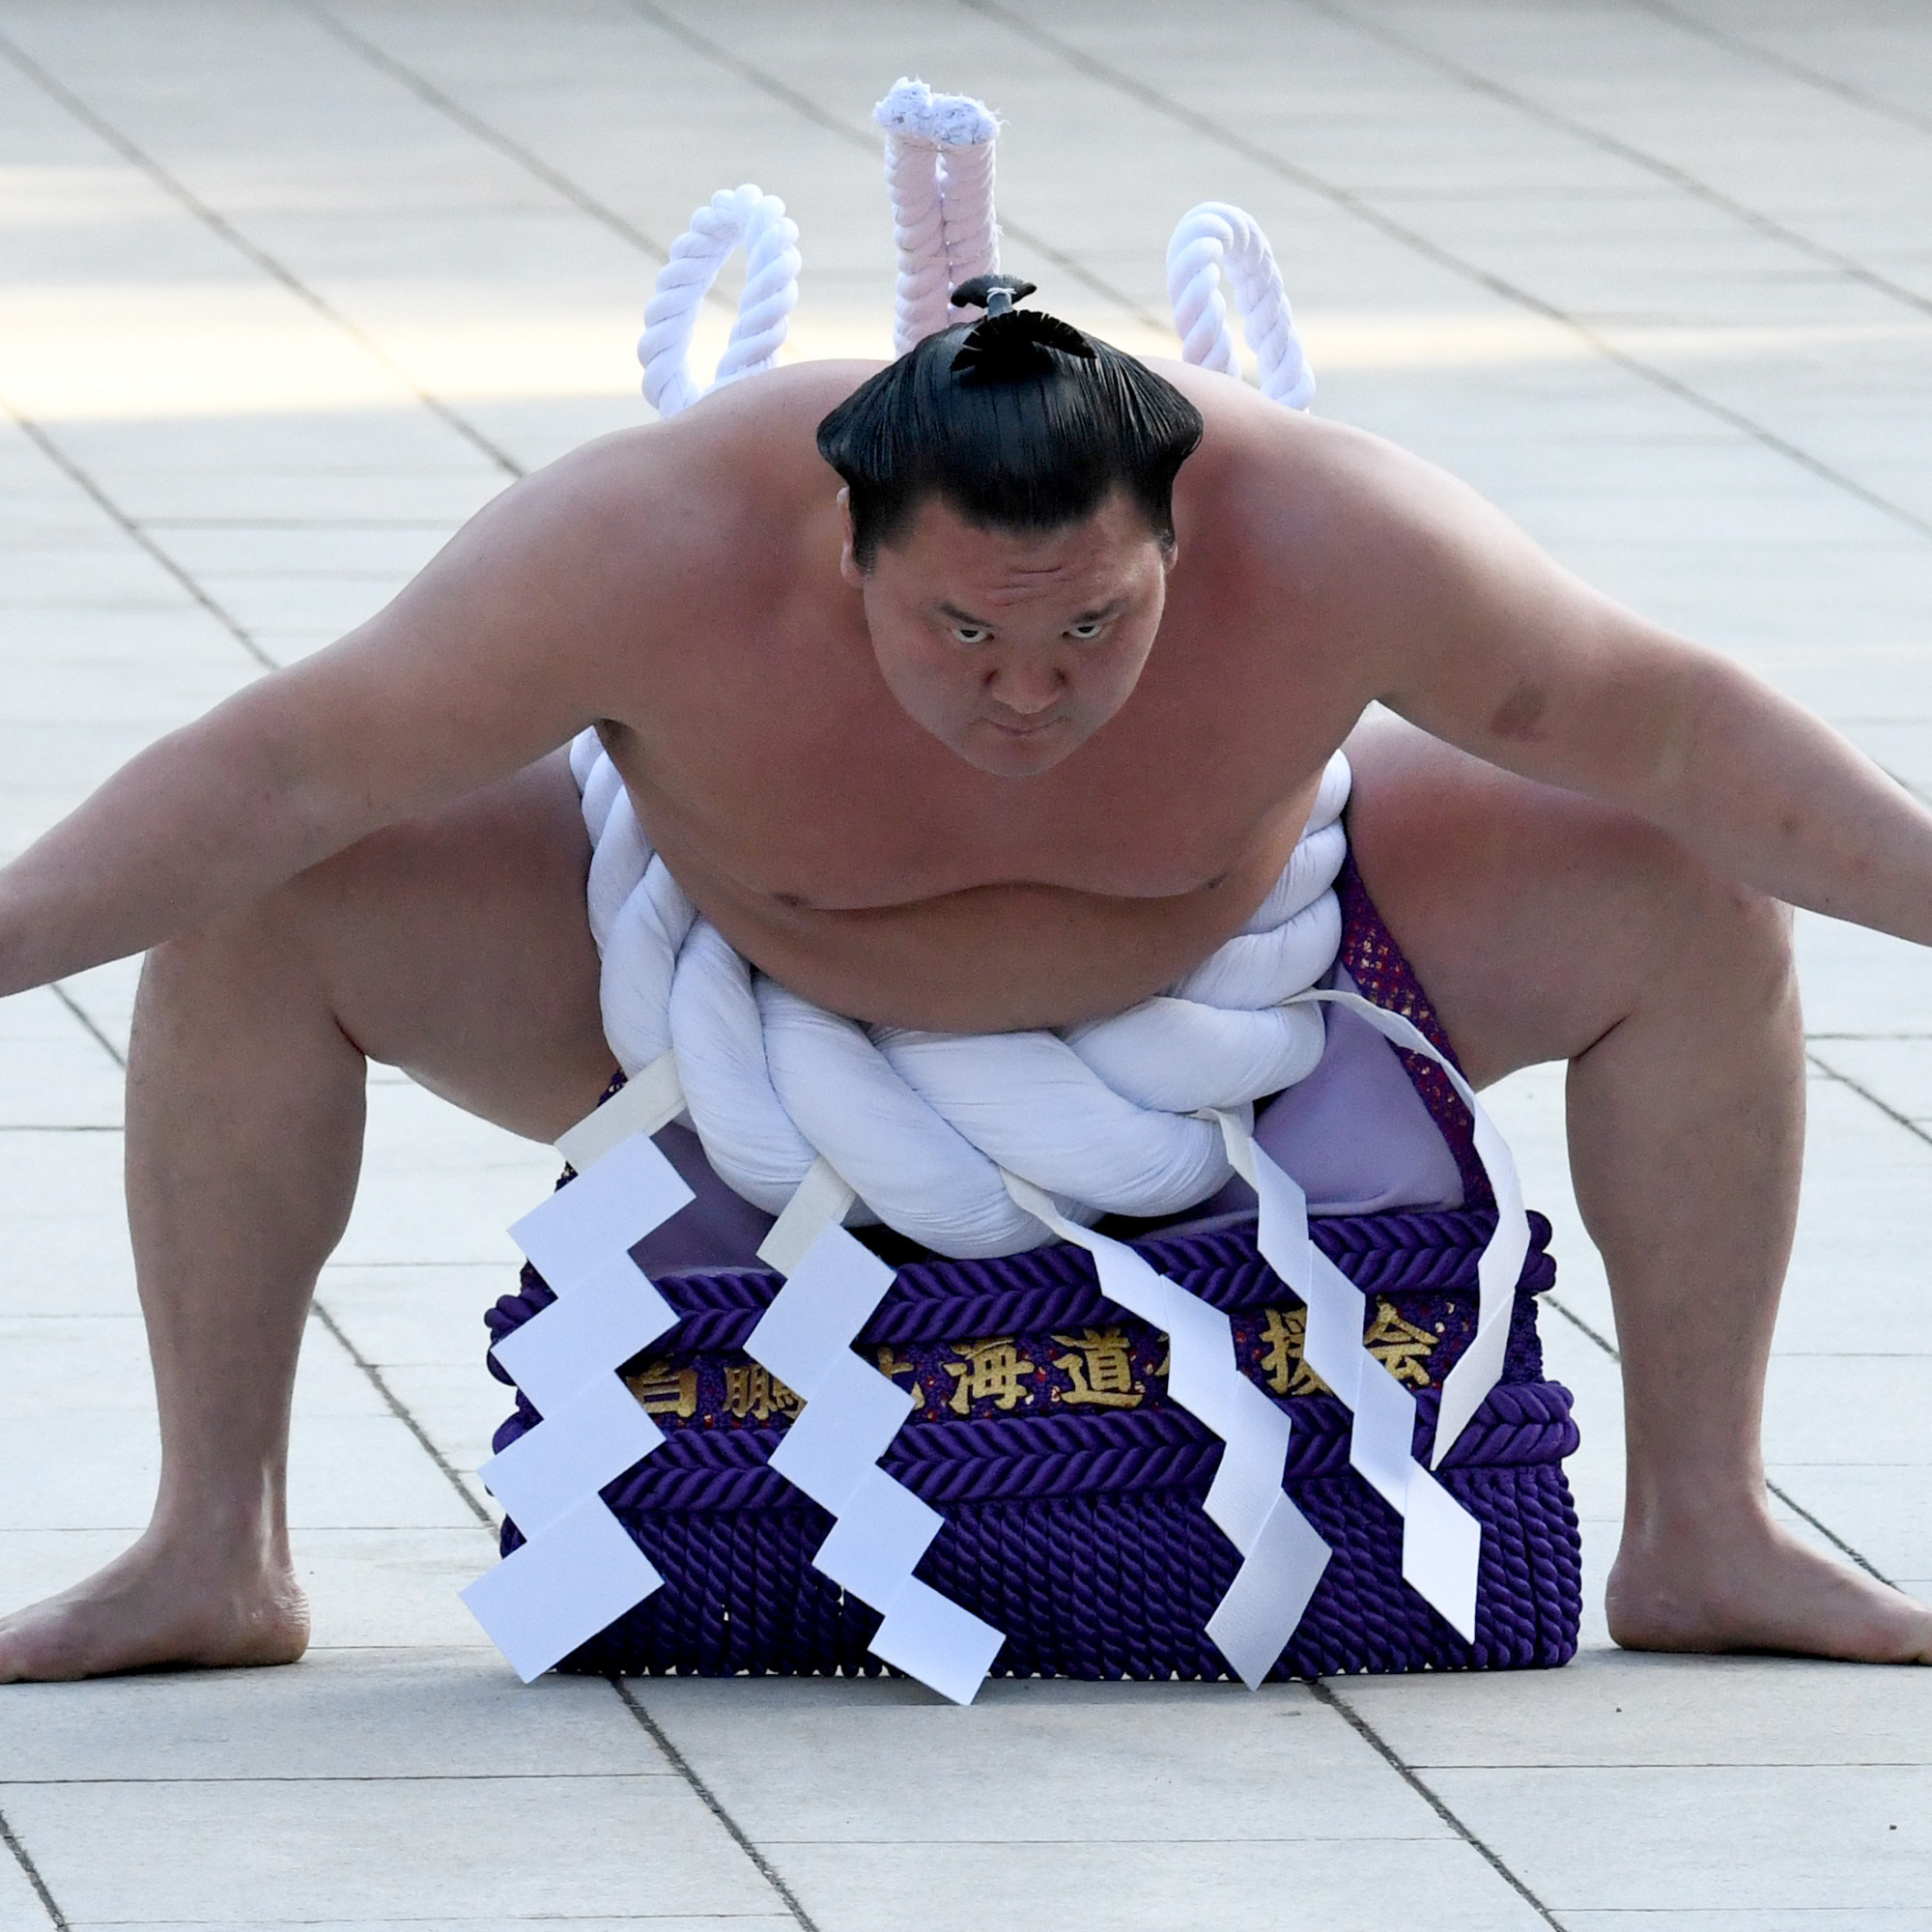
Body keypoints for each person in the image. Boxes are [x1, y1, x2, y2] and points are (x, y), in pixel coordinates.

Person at [1, 280, 1928, 1685]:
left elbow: (1677, 731)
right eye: (960, 629)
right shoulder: (640, 544)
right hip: (717, 1026)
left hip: (1248, 1032)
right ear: (845, 545)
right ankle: (208, 1545)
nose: (1029, 688)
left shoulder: (1338, 535)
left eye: (1096, 622)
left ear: (1187, 534)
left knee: (1677, 873)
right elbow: (280, 766)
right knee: (262, 892)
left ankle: (1703, 1524)